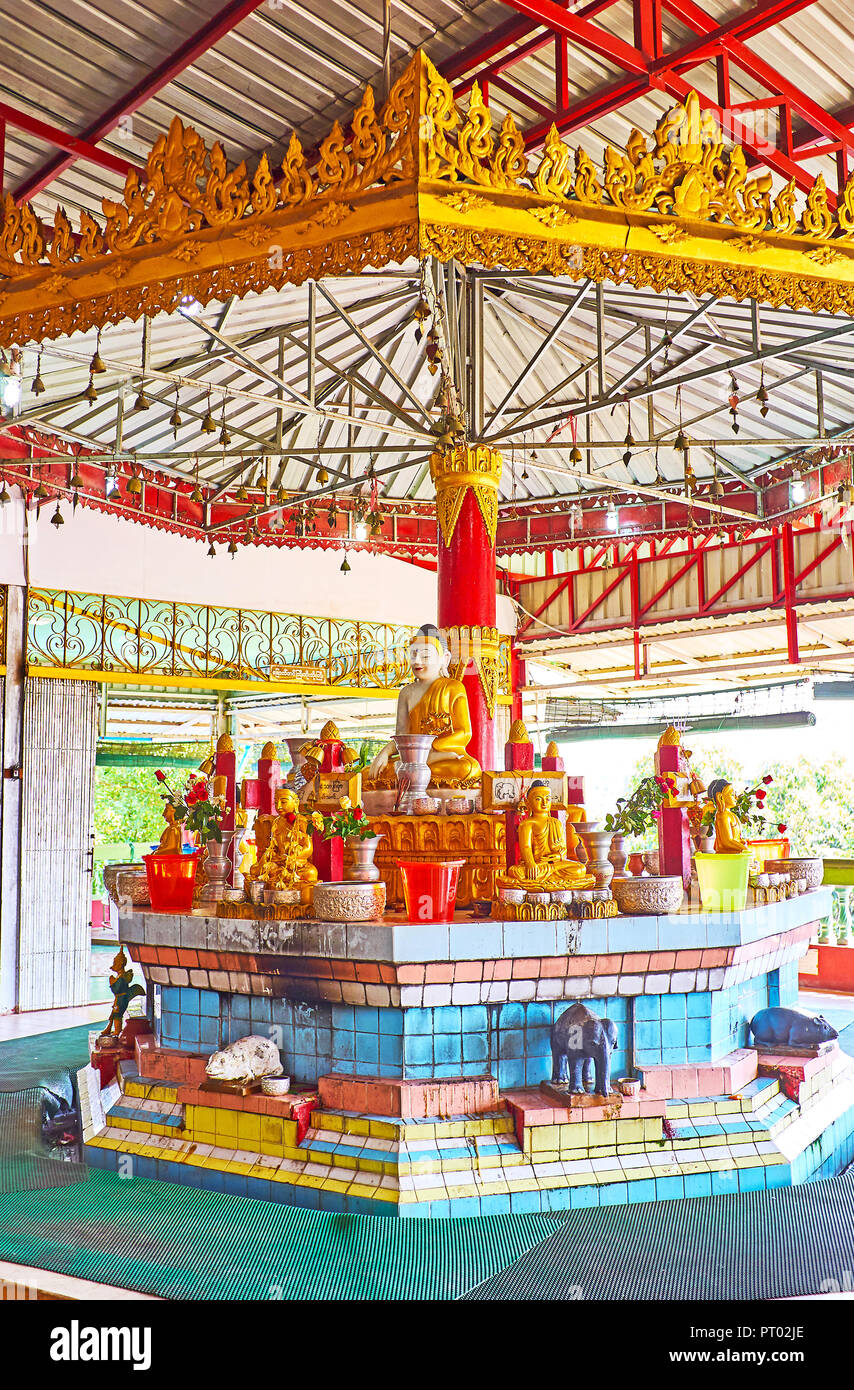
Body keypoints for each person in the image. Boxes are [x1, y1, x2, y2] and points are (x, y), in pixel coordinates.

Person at [368, 624, 479, 785]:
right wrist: (385, 752)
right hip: (411, 759)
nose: (417, 661)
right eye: (413, 655)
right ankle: (417, 766)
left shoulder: (453, 688)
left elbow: (464, 732)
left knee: (467, 768)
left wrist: (431, 749)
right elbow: (402, 737)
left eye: (425, 656)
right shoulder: (406, 693)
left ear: (444, 658)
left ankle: (422, 764)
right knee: (372, 772)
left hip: (443, 756)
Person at [498, 781, 595, 889]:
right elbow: (526, 847)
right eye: (539, 799)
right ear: (529, 802)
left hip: (554, 864)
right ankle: (552, 881)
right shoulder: (527, 824)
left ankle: (543, 880)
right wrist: (531, 863)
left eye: (548, 799)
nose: (544, 803)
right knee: (515, 872)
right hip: (536, 865)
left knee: (580, 869)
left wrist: (557, 856)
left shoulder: (556, 823)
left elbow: (562, 850)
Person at [707, 778, 747, 854]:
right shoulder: (722, 815)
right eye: (732, 795)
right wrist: (744, 849)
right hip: (726, 857)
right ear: (721, 797)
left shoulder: (732, 815)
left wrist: (742, 842)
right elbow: (726, 842)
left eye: (735, 794)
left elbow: (736, 838)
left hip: (736, 855)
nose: (736, 797)